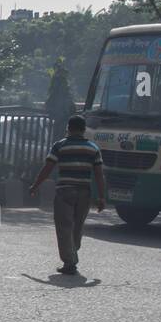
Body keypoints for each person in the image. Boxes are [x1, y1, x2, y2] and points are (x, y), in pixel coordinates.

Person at [28, 114, 106, 276]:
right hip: (85, 192)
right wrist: (101, 197)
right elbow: (99, 175)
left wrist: (35, 186)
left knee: (64, 227)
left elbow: (47, 168)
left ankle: (69, 261)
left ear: (68, 129)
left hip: (65, 191)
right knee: (77, 226)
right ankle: (72, 255)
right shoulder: (93, 148)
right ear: (84, 130)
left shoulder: (60, 146)